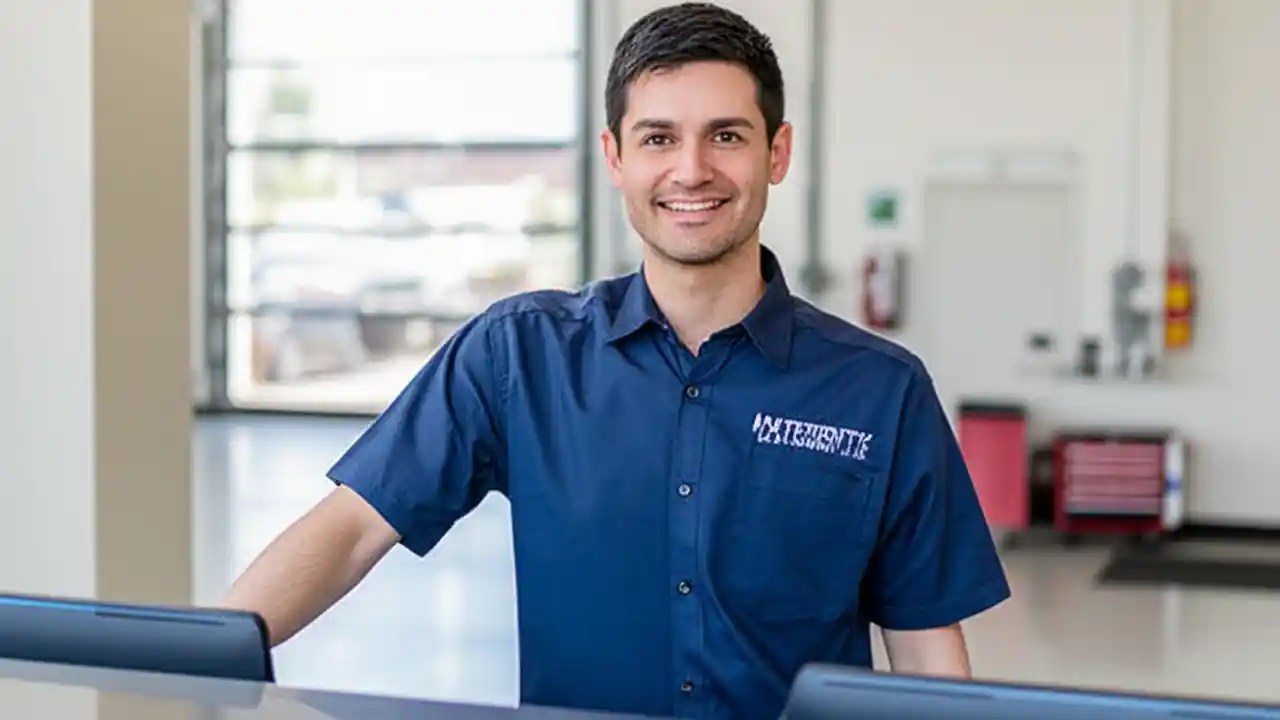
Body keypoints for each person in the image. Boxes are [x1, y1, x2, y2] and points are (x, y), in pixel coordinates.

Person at [220, 3, 1011, 718]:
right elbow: (353, 527)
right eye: (658, 138)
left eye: (726, 136)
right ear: (615, 156)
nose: (691, 170)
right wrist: (207, 661)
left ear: (777, 152)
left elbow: (924, 650)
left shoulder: (880, 391)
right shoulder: (519, 356)